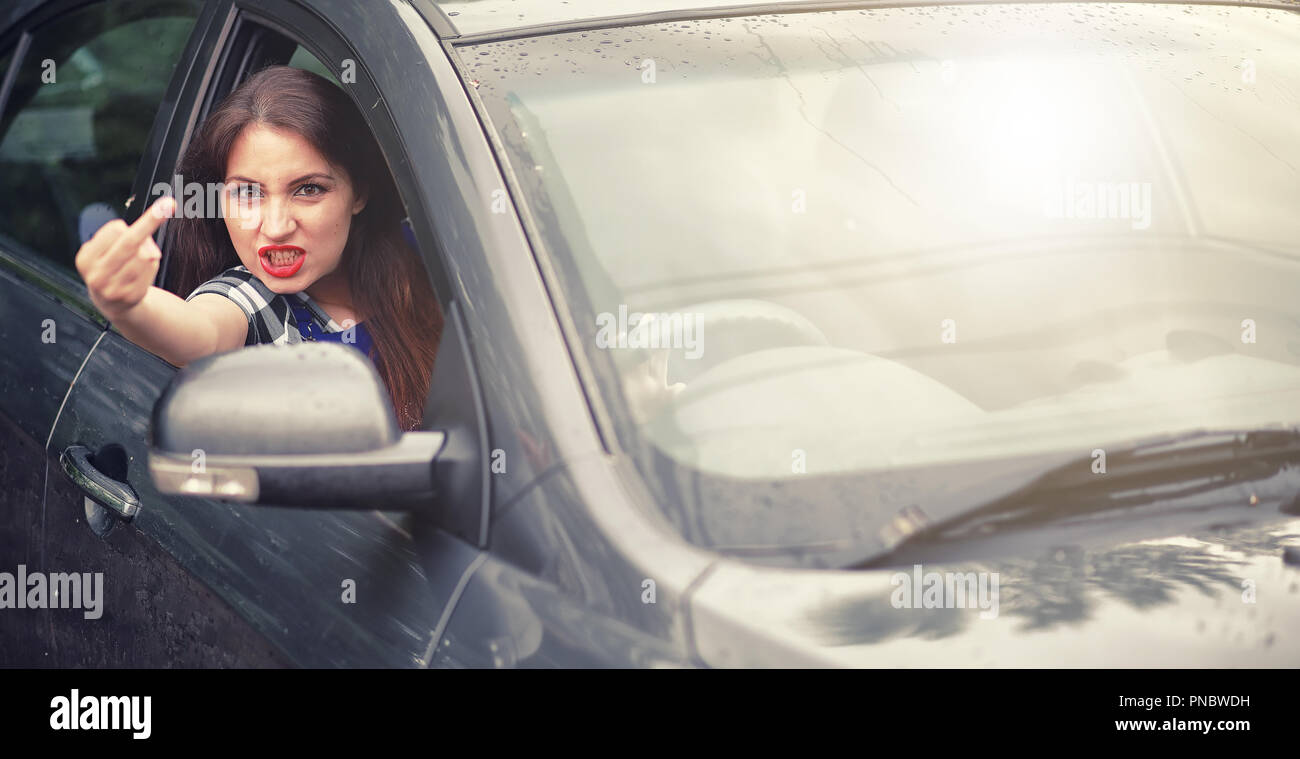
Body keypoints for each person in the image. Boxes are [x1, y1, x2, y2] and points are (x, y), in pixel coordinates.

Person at [75, 66, 442, 430]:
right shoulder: (248, 299)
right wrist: (130, 305)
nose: (277, 227)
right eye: (248, 193)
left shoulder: (428, 261)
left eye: (309, 189)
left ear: (358, 192)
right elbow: (198, 333)